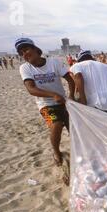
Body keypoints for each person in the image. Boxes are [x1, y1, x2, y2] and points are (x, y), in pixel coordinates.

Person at [16, 37, 75, 172]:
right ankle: (56, 151)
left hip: (63, 102)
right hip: (45, 105)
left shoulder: (54, 62)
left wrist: (71, 96)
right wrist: (52, 95)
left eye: (26, 50)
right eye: (21, 53)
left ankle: (78, 151)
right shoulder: (25, 68)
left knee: (73, 128)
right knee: (56, 124)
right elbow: (31, 89)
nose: (24, 54)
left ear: (36, 49)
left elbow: (70, 80)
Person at [71, 50, 107, 116]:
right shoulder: (105, 66)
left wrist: (83, 100)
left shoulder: (77, 66)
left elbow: (78, 76)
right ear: (91, 57)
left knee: (96, 125)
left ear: (79, 59)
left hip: (95, 104)